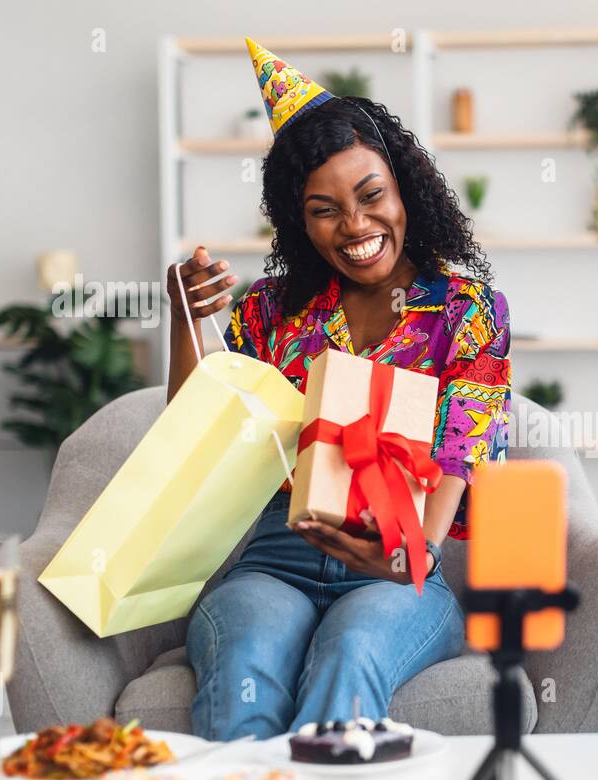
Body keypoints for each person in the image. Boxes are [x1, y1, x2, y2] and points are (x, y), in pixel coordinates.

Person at [165, 39, 510, 741]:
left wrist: (412, 552)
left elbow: (459, 452)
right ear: (299, 220)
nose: (355, 226)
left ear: (404, 188)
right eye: (324, 209)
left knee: (352, 653)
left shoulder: (467, 313)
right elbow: (195, 438)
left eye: (371, 195)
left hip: (400, 564)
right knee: (246, 662)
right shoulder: (269, 312)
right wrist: (183, 318)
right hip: (277, 559)